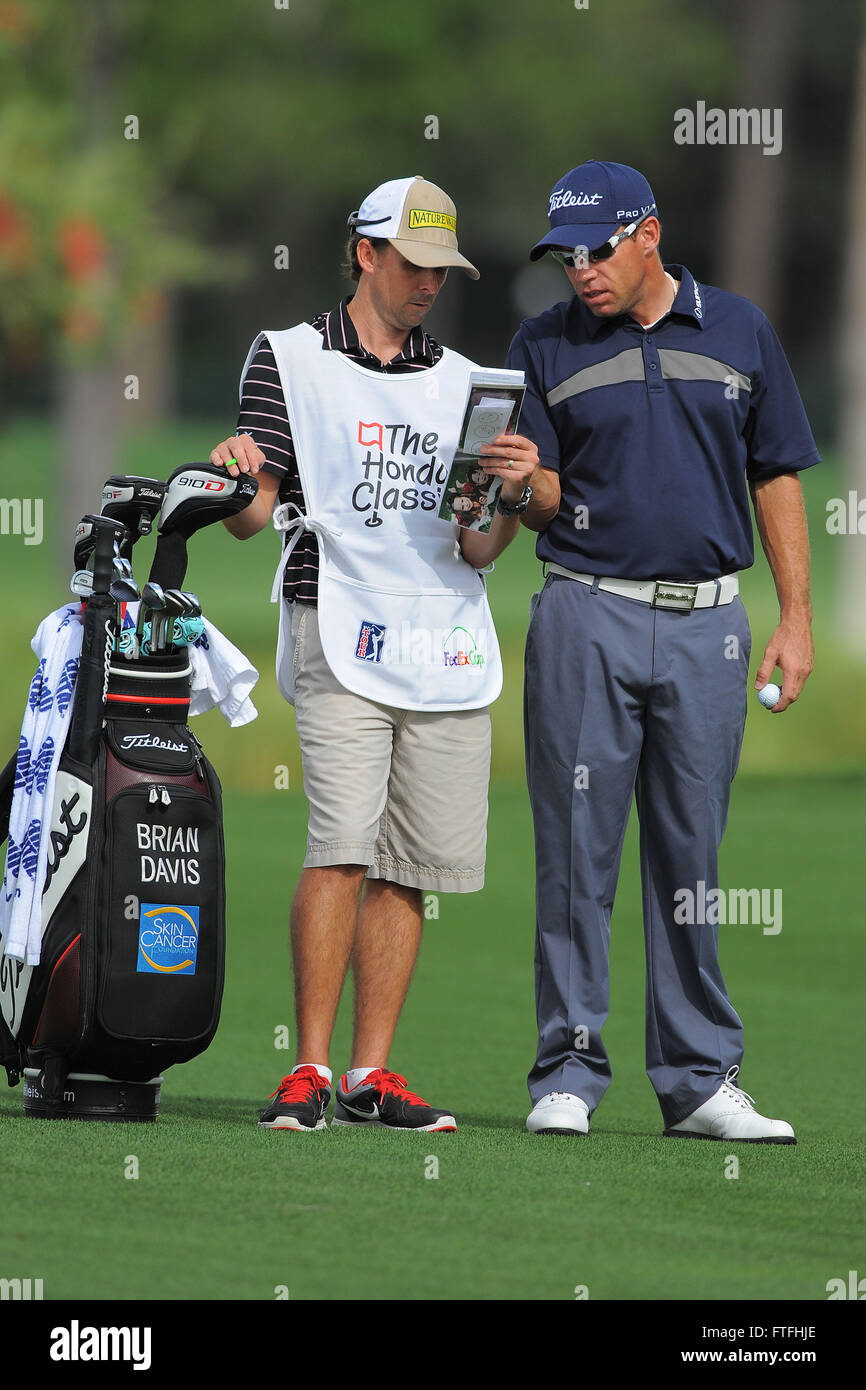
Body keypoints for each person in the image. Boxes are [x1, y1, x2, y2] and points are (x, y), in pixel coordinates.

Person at [208, 176, 538, 1132]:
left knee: (409, 868)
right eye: (414, 264)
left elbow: (477, 544)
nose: (430, 284)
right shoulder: (287, 359)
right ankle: (307, 1068)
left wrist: (508, 496)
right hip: (336, 624)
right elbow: (255, 517)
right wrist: (234, 478)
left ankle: (368, 1076)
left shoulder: (470, 383)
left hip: (442, 639)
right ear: (366, 253)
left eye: (444, 269)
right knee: (343, 847)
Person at [502, 160, 818, 1142]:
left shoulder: (738, 330)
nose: (579, 271)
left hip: (707, 626)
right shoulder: (542, 341)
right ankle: (566, 1066)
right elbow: (539, 499)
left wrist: (795, 617)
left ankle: (695, 1080)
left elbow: (774, 475)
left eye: (594, 250)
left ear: (644, 235)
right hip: (583, 612)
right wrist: (524, 485)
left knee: (688, 856)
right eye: (563, 257)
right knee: (574, 852)